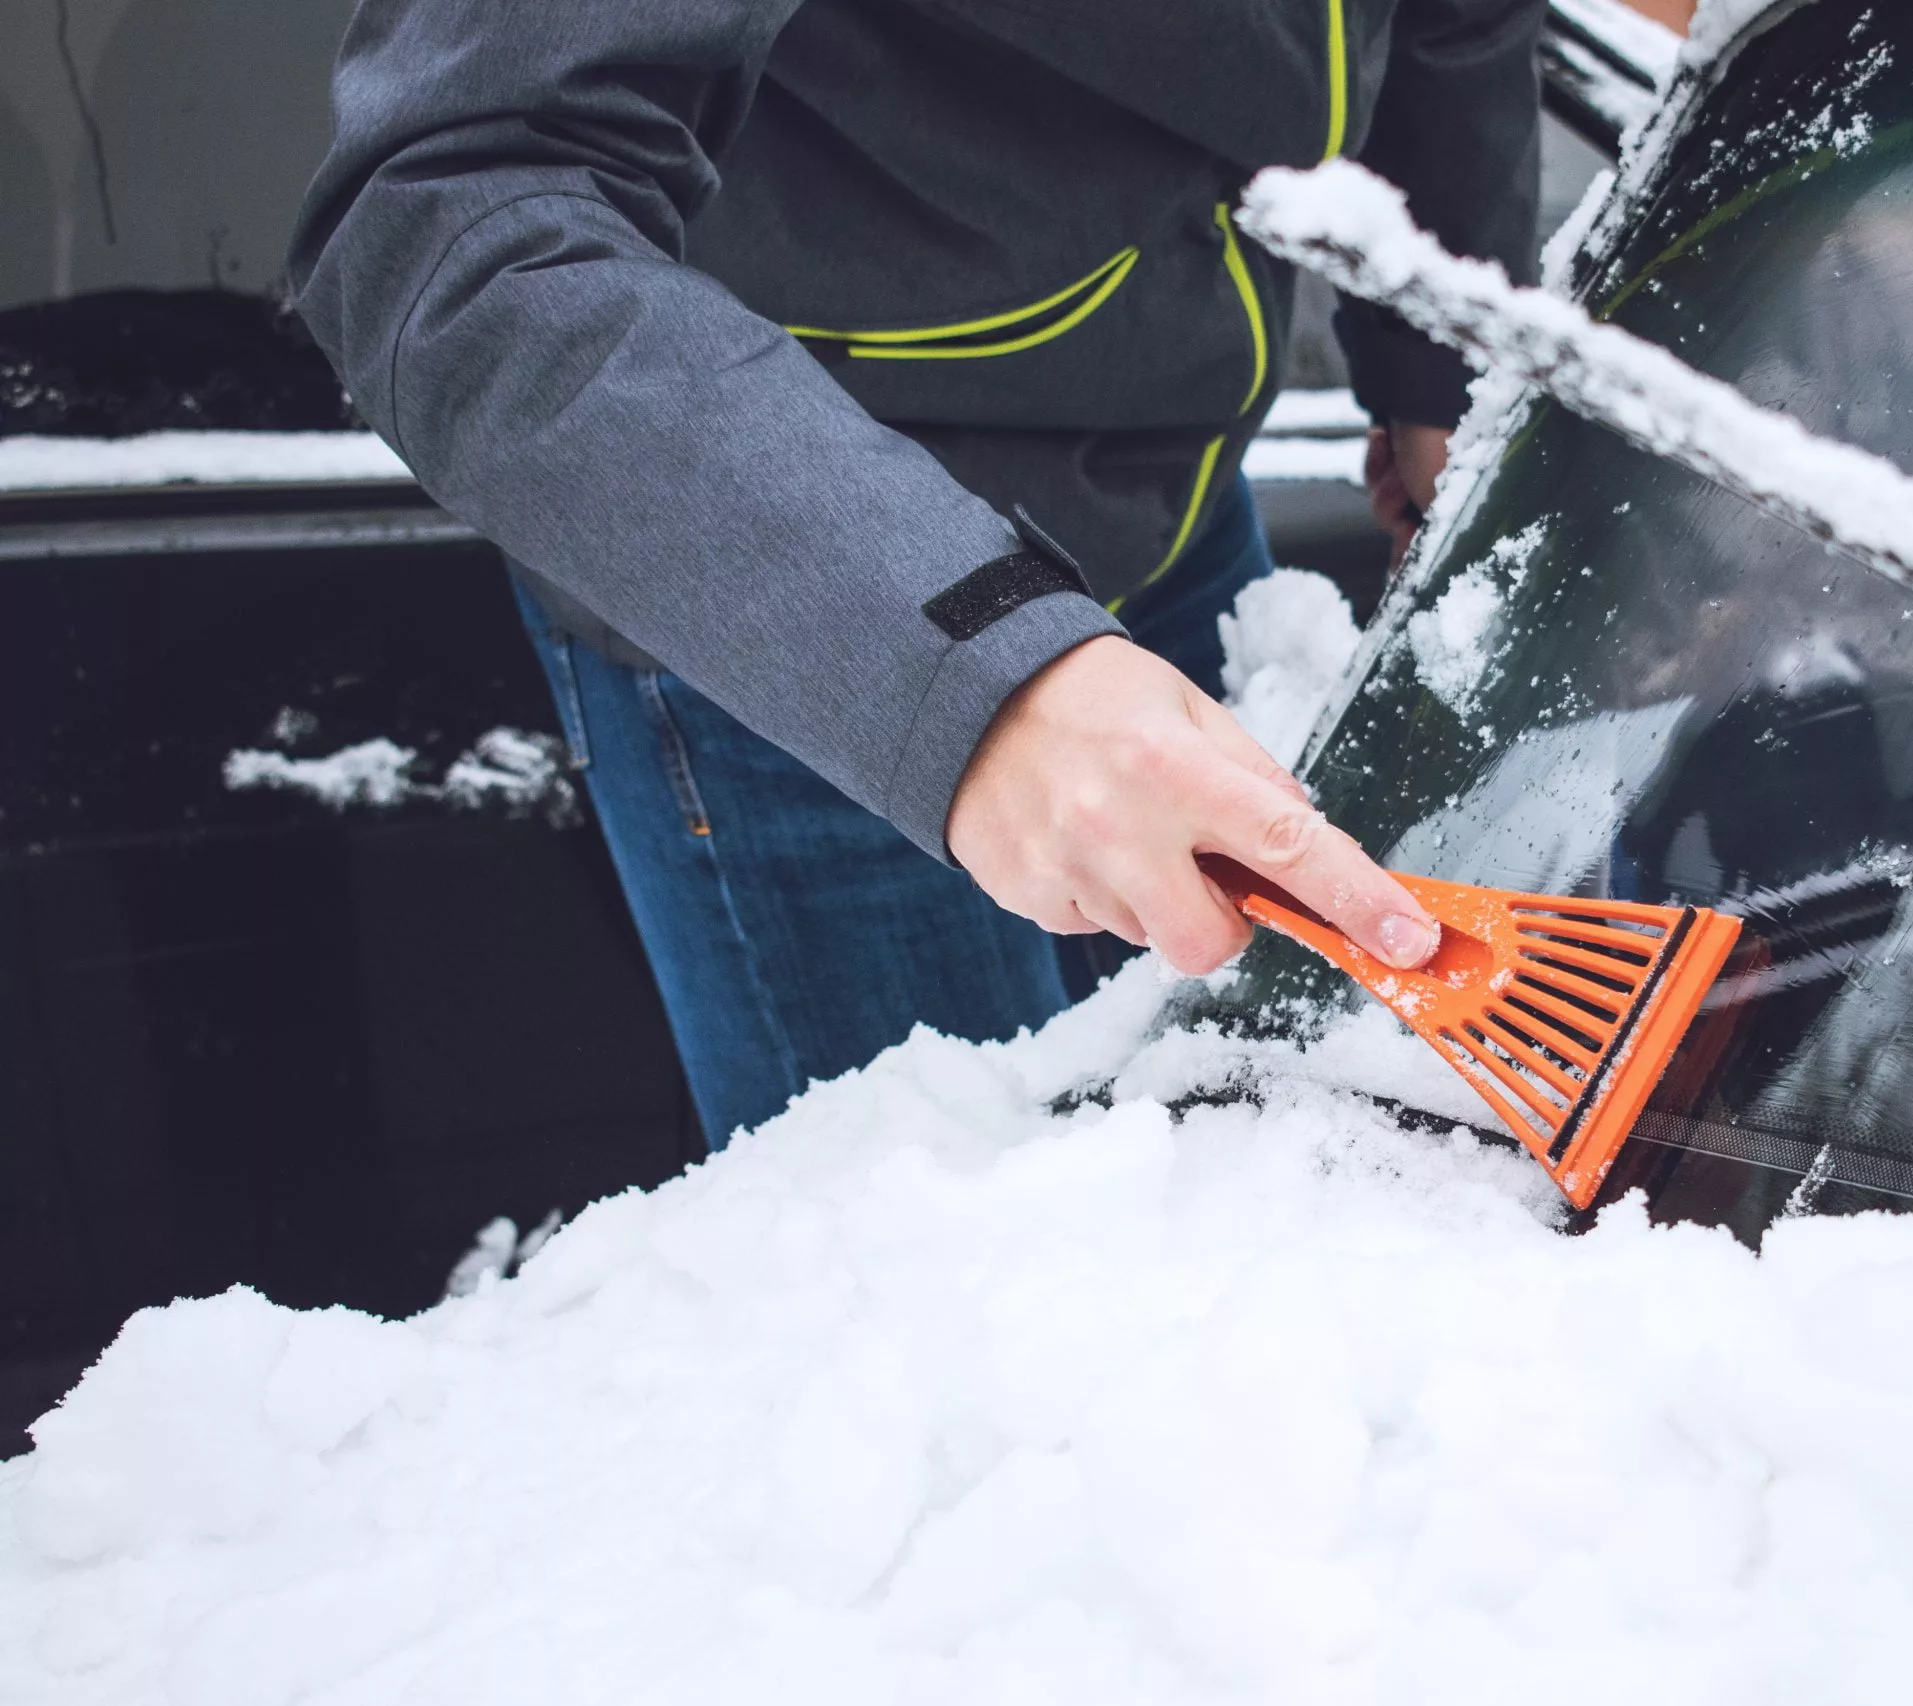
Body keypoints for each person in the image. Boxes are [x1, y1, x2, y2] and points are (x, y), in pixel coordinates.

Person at [289, 0, 1542, 1145]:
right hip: (816, 587)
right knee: (971, 1288)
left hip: (1172, 501)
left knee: (1210, 1207)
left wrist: (1442, 366)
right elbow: (453, 212)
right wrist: (973, 665)